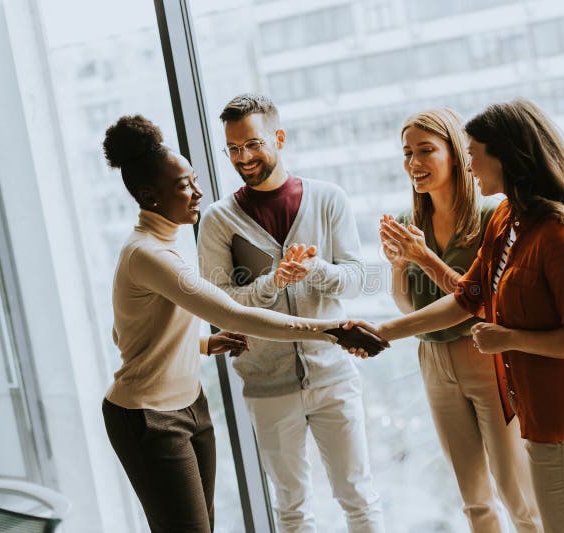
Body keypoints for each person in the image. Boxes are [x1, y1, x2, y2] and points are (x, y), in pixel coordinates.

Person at [347, 98, 564, 533]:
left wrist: (508, 339)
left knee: (543, 513)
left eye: (473, 152)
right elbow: (468, 296)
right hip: (538, 410)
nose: (470, 164)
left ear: (506, 155)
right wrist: (381, 331)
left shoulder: (560, 235)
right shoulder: (510, 220)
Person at [100, 114, 384, 533]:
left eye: (195, 180)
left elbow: (125, 332)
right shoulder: (149, 254)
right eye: (184, 185)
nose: (197, 192)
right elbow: (231, 313)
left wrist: (201, 345)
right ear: (149, 195)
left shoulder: (166, 242)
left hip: (189, 405)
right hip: (147, 414)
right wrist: (330, 330)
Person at [198, 93, 384, 533]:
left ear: (278, 137)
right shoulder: (218, 221)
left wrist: (312, 270)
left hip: (334, 374)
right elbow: (220, 307)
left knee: (358, 496)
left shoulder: (327, 198)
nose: (243, 157)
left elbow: (357, 278)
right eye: (233, 149)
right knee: (292, 509)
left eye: (254, 144)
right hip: (267, 387)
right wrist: (274, 283)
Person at [379, 107, 541, 532]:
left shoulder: (492, 218)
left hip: (485, 357)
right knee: (473, 497)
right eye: (407, 152)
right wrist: (399, 265)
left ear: (456, 154)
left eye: (425, 150)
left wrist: (423, 257)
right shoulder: (408, 222)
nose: (413, 163)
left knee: (515, 490)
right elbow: (408, 308)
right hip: (433, 361)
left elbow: (484, 303)